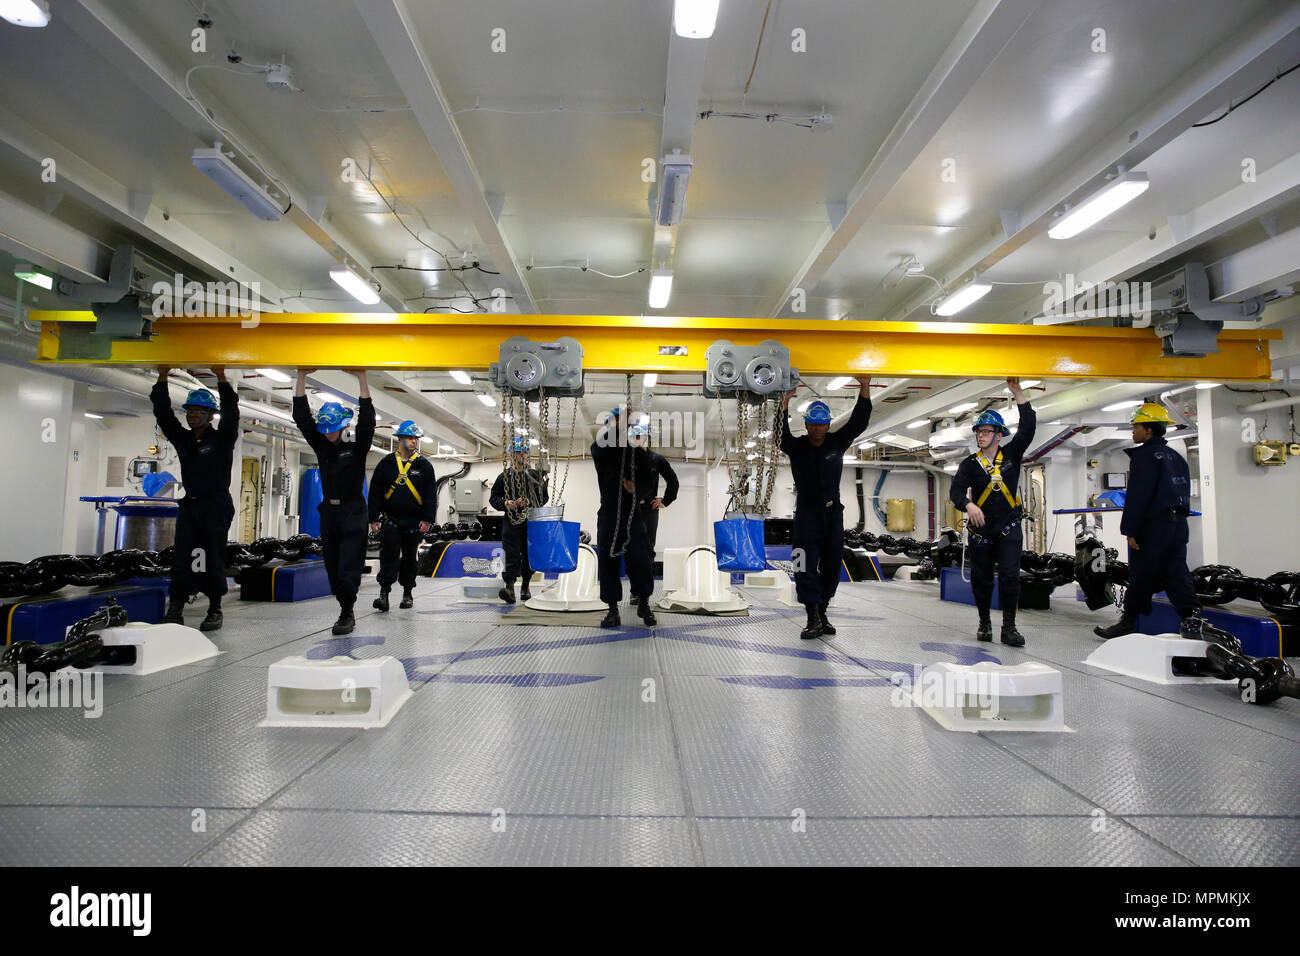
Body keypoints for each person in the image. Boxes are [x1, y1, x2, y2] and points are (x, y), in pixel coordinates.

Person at [1094, 403, 1210, 640]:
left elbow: (1139, 495)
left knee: (1141, 574)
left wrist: (1130, 529)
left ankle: (1128, 621)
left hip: (1154, 526)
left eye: (1136, 426)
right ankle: (1193, 616)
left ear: (1148, 430)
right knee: (1177, 571)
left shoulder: (1145, 456)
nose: (1132, 432)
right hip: (1178, 525)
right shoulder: (1176, 457)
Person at [779, 377, 873, 640]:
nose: (818, 429)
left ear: (828, 425)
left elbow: (859, 422)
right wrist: (785, 402)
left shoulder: (837, 442)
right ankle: (811, 616)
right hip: (806, 515)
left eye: (822, 424)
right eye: (813, 424)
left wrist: (864, 385)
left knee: (833, 563)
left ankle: (823, 611)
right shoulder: (796, 447)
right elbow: (780, 434)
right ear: (806, 424)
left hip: (833, 514)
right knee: (803, 564)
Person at [948, 378, 1036, 647]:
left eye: (986, 432)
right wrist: (969, 505)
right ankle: (984, 622)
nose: (981, 436)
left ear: (999, 434)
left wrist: (1018, 393)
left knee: (1010, 577)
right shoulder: (970, 465)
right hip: (982, 532)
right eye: (979, 432)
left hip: (1009, 528)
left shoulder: (1012, 455)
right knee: (982, 579)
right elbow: (956, 493)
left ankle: (1009, 627)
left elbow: (1028, 428)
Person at [152, 366, 239, 631]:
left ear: (210, 416)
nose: (192, 415)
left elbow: (232, 413)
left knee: (213, 556)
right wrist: (163, 377)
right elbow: (163, 414)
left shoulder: (222, 439)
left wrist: (222, 377)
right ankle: (176, 607)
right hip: (191, 505)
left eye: (198, 411)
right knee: (184, 556)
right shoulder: (183, 439)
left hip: (216, 506)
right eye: (190, 411)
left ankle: (215, 608)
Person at [292, 368, 374, 635]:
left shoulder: (357, 448)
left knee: (349, 565)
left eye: (333, 430)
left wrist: (362, 378)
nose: (328, 435)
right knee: (332, 565)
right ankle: (343, 604)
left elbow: (368, 421)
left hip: (353, 512)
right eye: (325, 431)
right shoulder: (322, 447)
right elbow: (302, 418)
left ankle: (347, 611)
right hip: (329, 512)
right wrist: (301, 376)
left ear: (343, 427)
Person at [591, 410, 657, 628]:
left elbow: (648, 481)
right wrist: (617, 424)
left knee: (641, 559)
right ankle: (612, 611)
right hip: (610, 514)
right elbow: (600, 445)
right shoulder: (602, 450)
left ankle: (644, 602)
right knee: (608, 564)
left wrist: (636, 490)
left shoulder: (638, 454)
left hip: (632, 515)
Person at [367, 420, 437, 612]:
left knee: (409, 558)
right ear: (400, 439)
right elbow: (375, 491)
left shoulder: (424, 466)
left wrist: (428, 519)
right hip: (391, 520)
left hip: (414, 521)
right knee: (388, 556)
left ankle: (407, 594)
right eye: (410, 438)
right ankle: (384, 594)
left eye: (416, 438)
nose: (414, 442)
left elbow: (431, 494)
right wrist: (373, 518)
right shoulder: (387, 464)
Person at [490, 437, 549, 604]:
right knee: (511, 553)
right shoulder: (504, 477)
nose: (523, 455)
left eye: (525, 452)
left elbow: (544, 496)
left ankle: (526, 586)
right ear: (512, 454)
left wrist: (529, 502)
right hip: (511, 521)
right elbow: (493, 497)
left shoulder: (534, 476)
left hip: (530, 521)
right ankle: (509, 587)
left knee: (529, 553)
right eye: (519, 452)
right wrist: (505, 504)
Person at [632, 426, 679, 557]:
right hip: (629, 510)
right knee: (629, 546)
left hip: (649, 510)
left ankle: (646, 576)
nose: (636, 440)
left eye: (638, 437)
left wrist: (665, 501)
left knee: (647, 547)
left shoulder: (657, 460)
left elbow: (673, 481)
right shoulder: (625, 461)